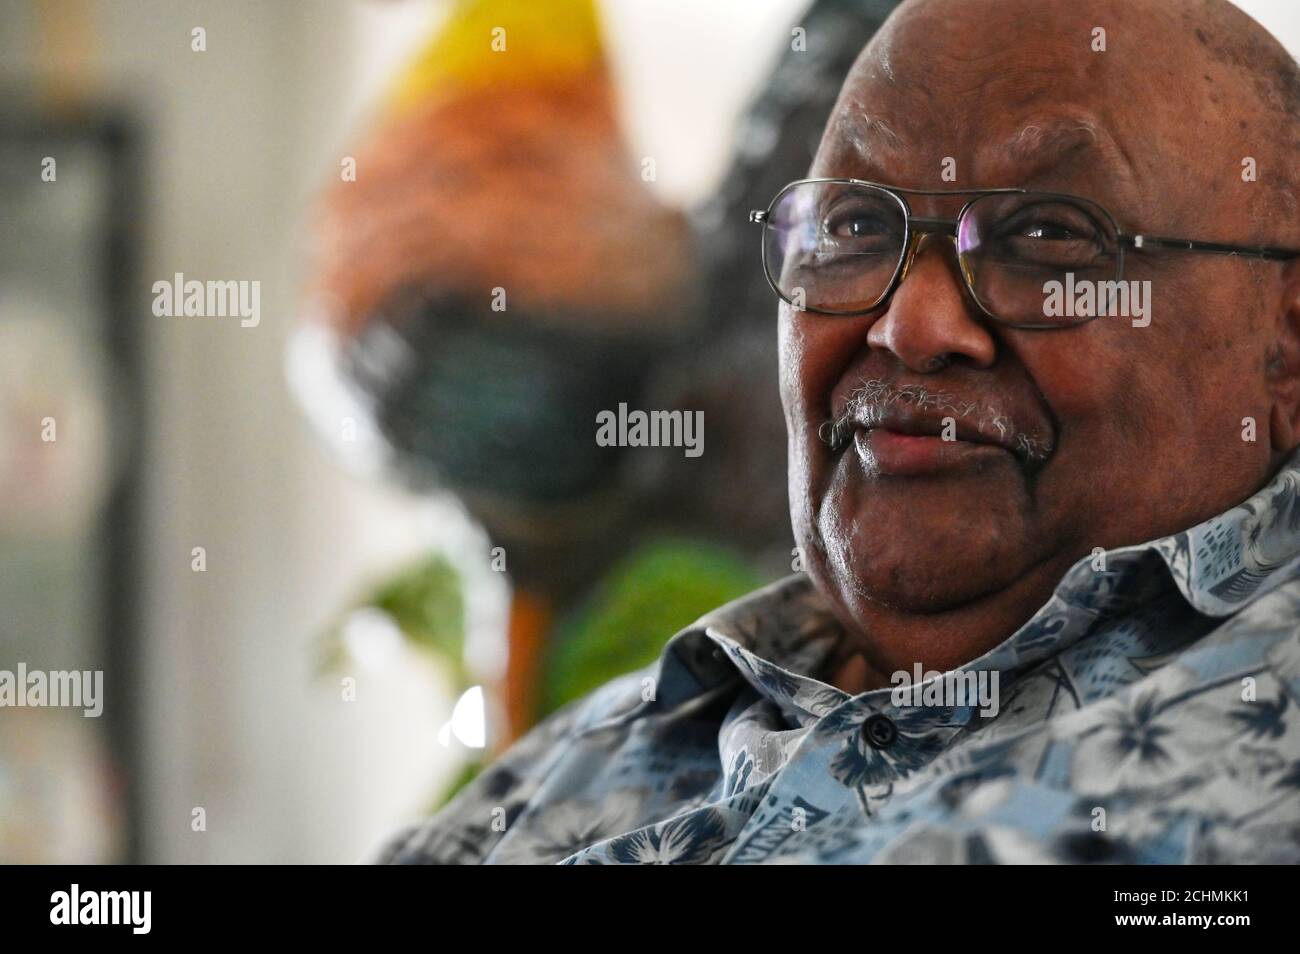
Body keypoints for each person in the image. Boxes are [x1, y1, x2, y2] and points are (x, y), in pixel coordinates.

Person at [377, 0, 1300, 864]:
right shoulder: (587, 754)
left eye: (1050, 236)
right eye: (854, 225)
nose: (910, 325)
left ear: (1286, 340)